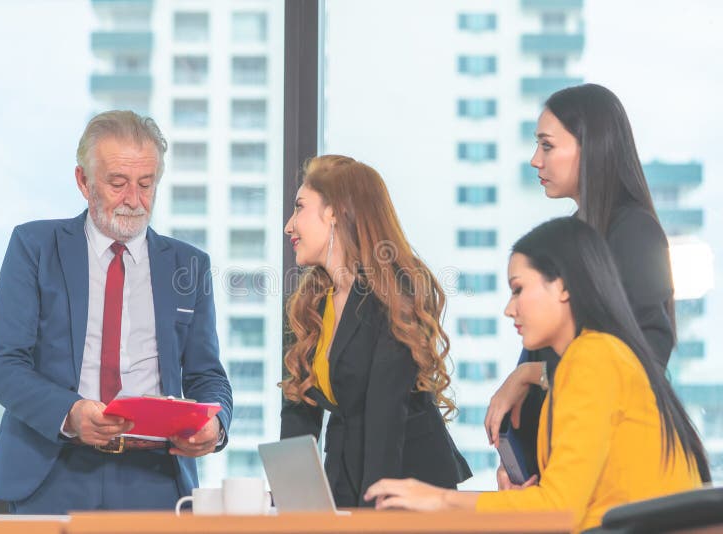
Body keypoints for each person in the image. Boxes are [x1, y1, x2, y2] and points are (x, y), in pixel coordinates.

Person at [365, 217, 709, 532]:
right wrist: (520, 502)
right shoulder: (601, 355)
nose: (509, 309)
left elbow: (559, 510)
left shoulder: (592, 358)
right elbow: (566, 503)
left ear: (563, 287)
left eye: (518, 289)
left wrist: (440, 499)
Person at [0, 111, 233, 513]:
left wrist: (216, 426)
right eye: (118, 183)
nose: (133, 199)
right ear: (83, 181)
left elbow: (207, 375)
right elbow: (4, 364)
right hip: (53, 469)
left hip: (156, 477)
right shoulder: (34, 246)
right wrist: (70, 412)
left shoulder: (189, 265)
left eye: (146, 184)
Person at [484, 83, 676, 452]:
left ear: (593, 148)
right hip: (562, 457)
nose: (535, 160)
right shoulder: (571, 236)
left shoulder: (634, 231)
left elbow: (644, 357)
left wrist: (530, 375)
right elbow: (544, 352)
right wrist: (521, 460)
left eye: (547, 146)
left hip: (611, 458)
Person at [280, 155, 472, 507]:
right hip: (346, 475)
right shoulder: (310, 302)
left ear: (334, 211)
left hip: (407, 485)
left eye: (300, 207)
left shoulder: (394, 294)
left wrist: (371, 518)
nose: (289, 226)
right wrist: (292, 501)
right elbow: (299, 407)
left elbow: (385, 420)